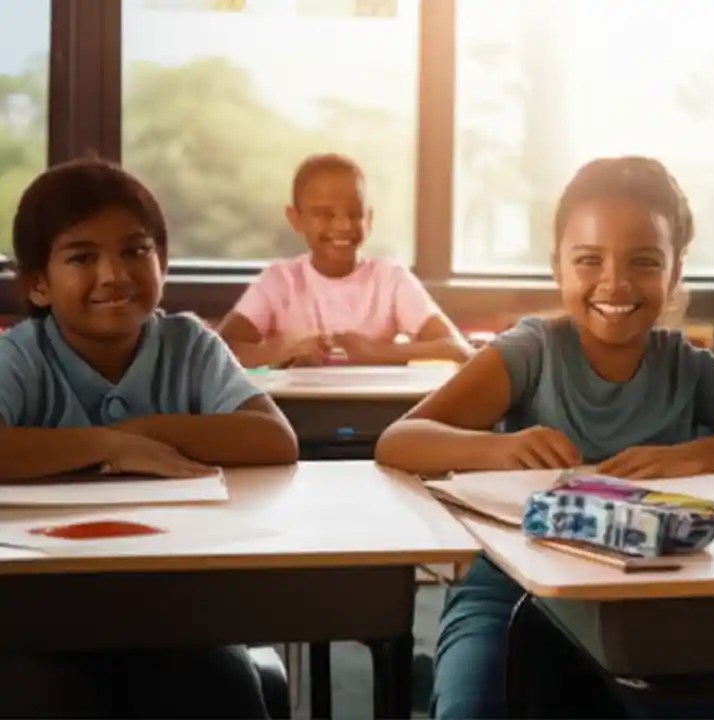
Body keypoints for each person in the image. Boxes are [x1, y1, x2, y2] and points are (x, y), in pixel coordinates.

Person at [376, 156, 714, 718]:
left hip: (655, 599)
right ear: (558, 268)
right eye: (589, 260)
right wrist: (497, 449)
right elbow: (399, 440)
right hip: (511, 592)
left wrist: (690, 457)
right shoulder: (532, 352)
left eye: (644, 262)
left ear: (675, 272)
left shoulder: (687, 369)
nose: (615, 283)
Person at [0, 158, 298, 717]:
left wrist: (140, 433)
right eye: (82, 257)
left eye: (135, 251)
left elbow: (273, 439)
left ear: (163, 261)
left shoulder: (190, 345)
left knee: (222, 688)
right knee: (41, 696)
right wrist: (107, 447)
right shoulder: (22, 354)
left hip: (180, 613)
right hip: (40, 616)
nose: (114, 274)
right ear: (38, 283)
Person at [218, 153, 472, 367]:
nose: (343, 225)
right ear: (296, 218)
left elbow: (458, 349)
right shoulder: (279, 281)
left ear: (369, 219)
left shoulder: (390, 280)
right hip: (294, 413)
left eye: (355, 213)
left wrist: (378, 353)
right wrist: (282, 351)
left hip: (374, 410)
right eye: (324, 214)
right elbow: (221, 351)